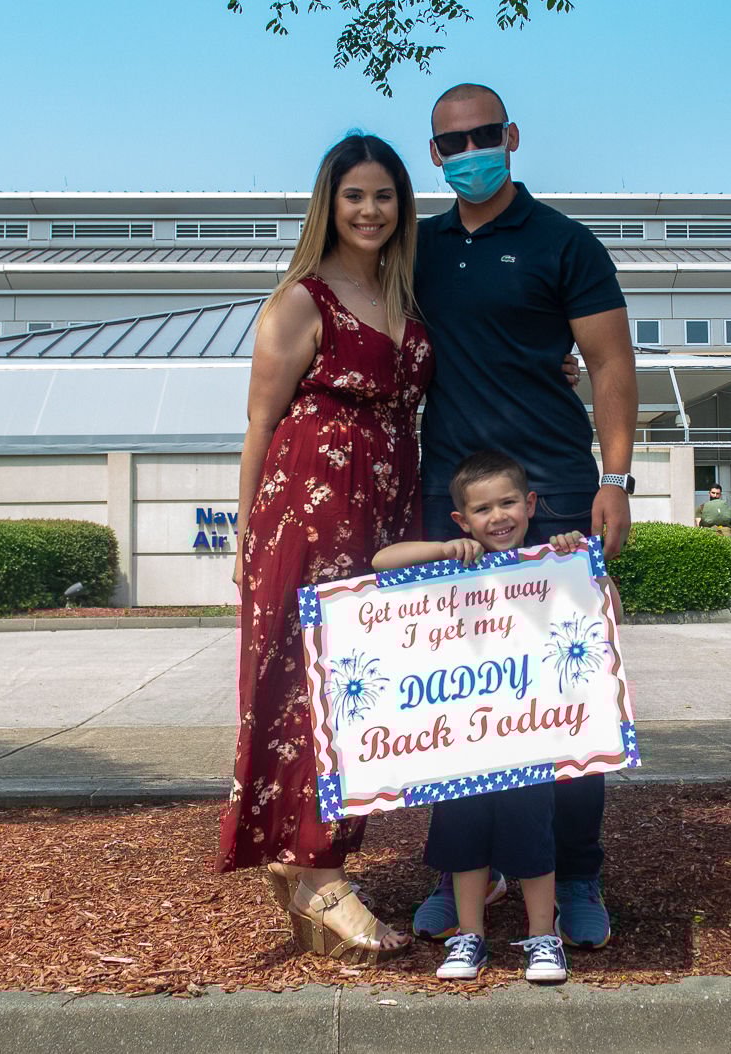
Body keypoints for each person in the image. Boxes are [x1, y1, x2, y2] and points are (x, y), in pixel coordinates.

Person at [412, 83, 638, 950]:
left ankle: (576, 871)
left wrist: (613, 478)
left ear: (510, 136)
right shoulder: (417, 248)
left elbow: (610, 362)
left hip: (554, 500)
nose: (469, 150)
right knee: (454, 698)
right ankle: (463, 869)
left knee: (566, 696)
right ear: (434, 155)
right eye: (451, 142)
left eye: (482, 134)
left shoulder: (563, 243)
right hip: (452, 504)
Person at [217, 133, 433, 962]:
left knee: (361, 686)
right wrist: (245, 535)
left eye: (383, 196)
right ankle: (313, 869)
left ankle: (313, 860)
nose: (370, 211)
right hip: (309, 505)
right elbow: (259, 426)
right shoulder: (301, 300)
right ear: (329, 205)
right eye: (354, 197)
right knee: (305, 682)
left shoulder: (407, 296)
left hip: (385, 504)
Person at [374, 451, 621, 982]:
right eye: (482, 509)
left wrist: (583, 565)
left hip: (527, 735)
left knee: (534, 829)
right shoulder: (449, 564)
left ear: (531, 505)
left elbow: (611, 618)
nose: (499, 516)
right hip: (461, 738)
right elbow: (379, 564)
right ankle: (469, 938)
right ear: (463, 519)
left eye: (509, 502)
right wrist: (443, 546)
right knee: (462, 833)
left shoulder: (550, 565)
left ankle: (542, 937)